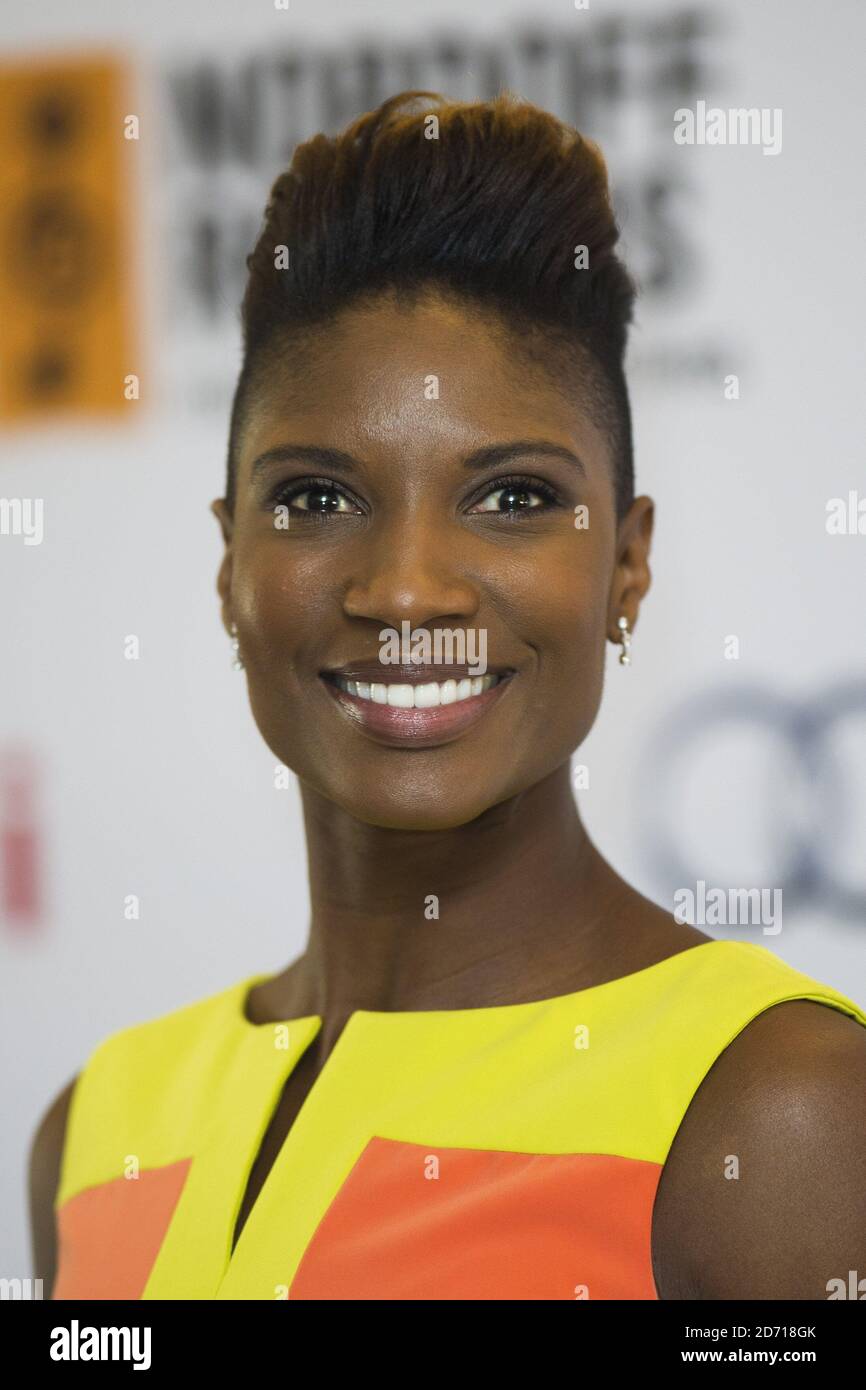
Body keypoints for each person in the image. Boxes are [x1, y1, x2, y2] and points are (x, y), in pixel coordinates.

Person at [31, 90, 866, 1301]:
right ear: (229, 563)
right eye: (315, 497)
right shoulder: (92, 1127)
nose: (405, 591)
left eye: (513, 496)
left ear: (624, 565)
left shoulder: (775, 1109)